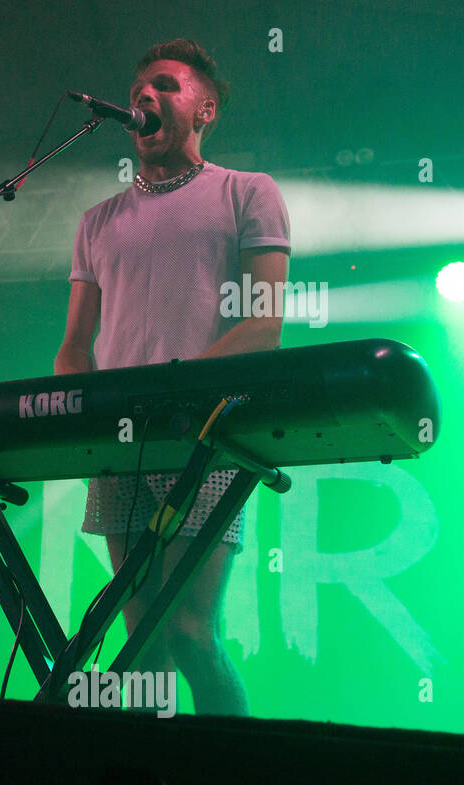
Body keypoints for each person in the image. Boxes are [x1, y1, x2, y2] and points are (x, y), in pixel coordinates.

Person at [54, 39, 290, 716]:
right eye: (138, 90)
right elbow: (72, 347)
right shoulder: (96, 221)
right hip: (123, 447)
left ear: (205, 110)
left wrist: (170, 389)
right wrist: (90, 412)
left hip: (206, 436)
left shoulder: (247, 192)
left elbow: (263, 325)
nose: (144, 98)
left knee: (190, 632)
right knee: (142, 643)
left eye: (165, 85)